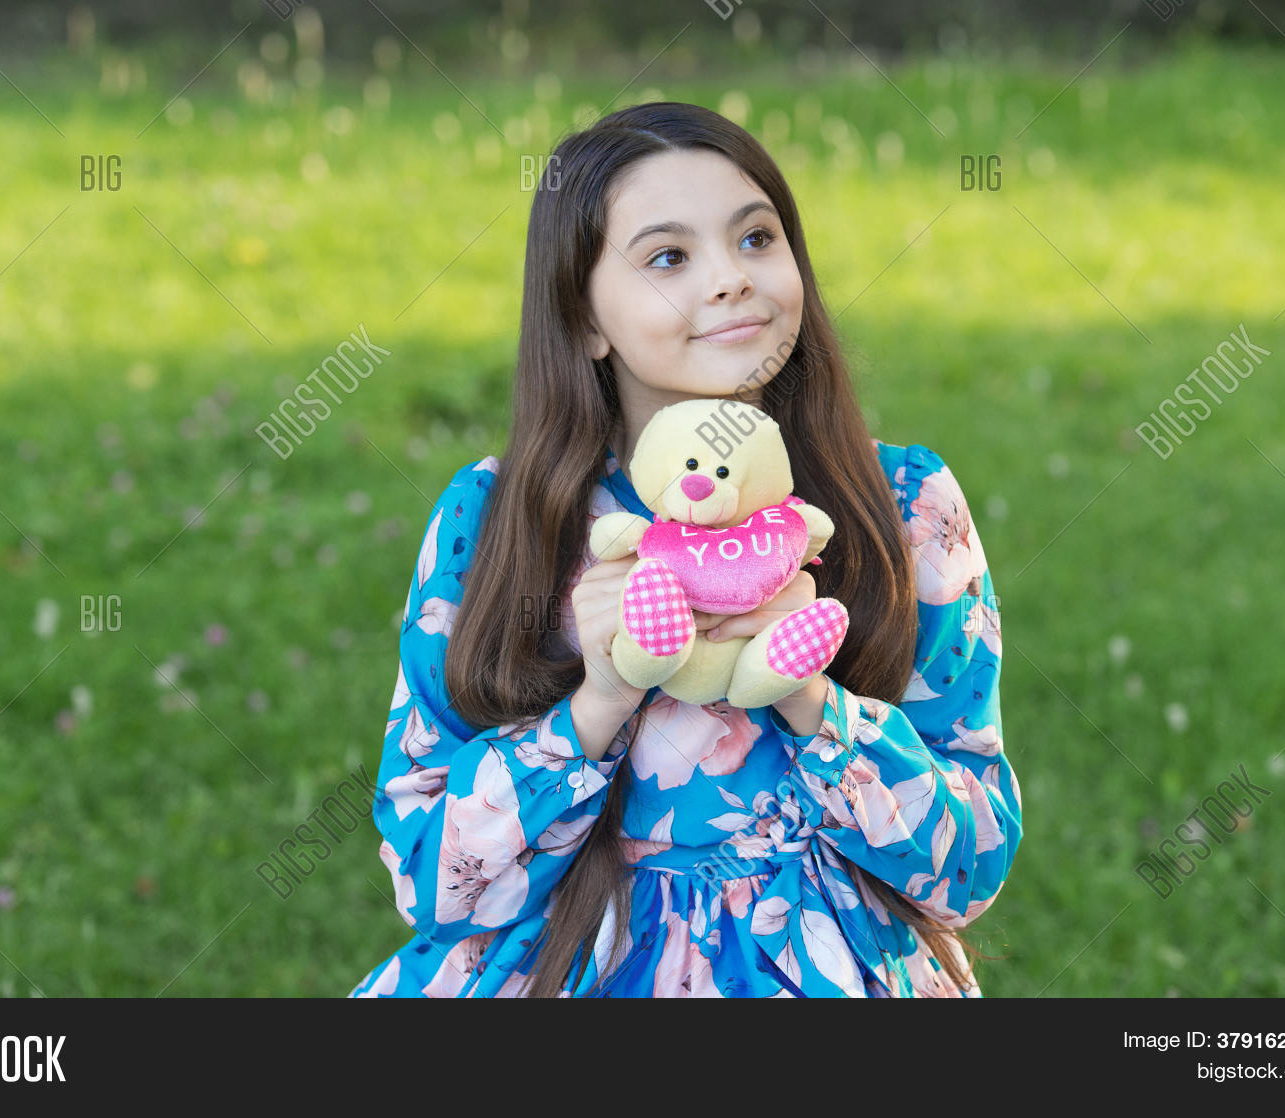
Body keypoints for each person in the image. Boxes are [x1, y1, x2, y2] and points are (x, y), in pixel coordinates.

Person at [348, 101, 1021, 997]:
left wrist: (812, 699)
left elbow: (969, 869)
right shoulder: (503, 516)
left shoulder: (899, 505)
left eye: (756, 239)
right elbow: (430, 881)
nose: (730, 279)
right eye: (669, 257)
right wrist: (599, 702)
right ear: (585, 318)